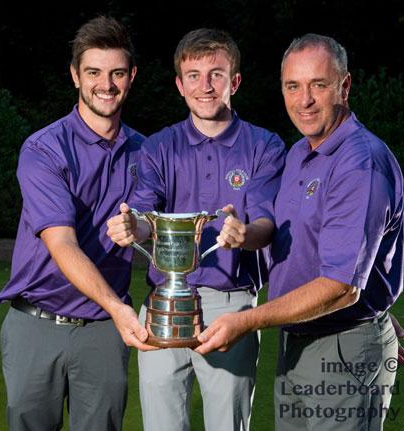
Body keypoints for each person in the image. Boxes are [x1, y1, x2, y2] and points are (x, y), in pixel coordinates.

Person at [196, 33, 404, 430]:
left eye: (318, 85)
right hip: (299, 340)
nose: (304, 100)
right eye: (293, 86)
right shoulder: (299, 153)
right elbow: (319, 250)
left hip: (341, 345)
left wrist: (246, 321)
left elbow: (341, 286)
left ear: (344, 86)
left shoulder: (359, 164)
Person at [107, 28, 286, 431]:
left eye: (216, 75)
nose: (205, 86)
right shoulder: (158, 146)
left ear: (234, 82)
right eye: (194, 76)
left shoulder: (265, 145)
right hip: (163, 303)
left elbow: (266, 223)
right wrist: (132, 226)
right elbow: (145, 211)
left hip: (231, 305)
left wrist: (244, 235)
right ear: (179, 85)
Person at [0, 16, 154, 431]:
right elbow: (62, 243)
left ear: (132, 76)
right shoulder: (43, 149)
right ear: (75, 76)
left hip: (103, 331)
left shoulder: (147, 153)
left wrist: (143, 227)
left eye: (117, 73)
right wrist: (119, 308)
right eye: (94, 72)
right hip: (37, 322)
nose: (106, 84)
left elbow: (154, 223)